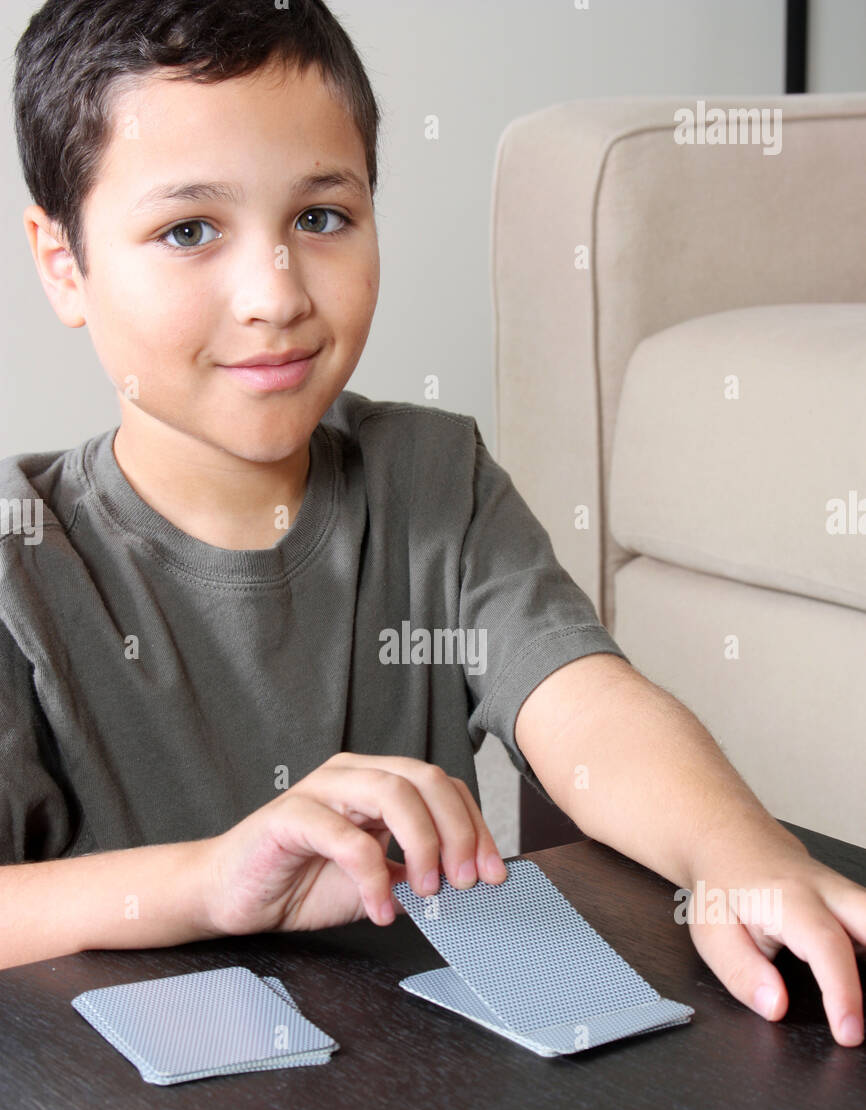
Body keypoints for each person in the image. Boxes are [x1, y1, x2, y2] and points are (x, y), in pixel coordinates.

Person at [3, 0, 863, 1047]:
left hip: (413, 1088)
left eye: (320, 218)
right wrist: (213, 881)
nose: (274, 295)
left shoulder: (431, 474)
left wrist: (734, 851)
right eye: (189, 231)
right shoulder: (19, 558)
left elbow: (585, 709)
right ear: (62, 263)